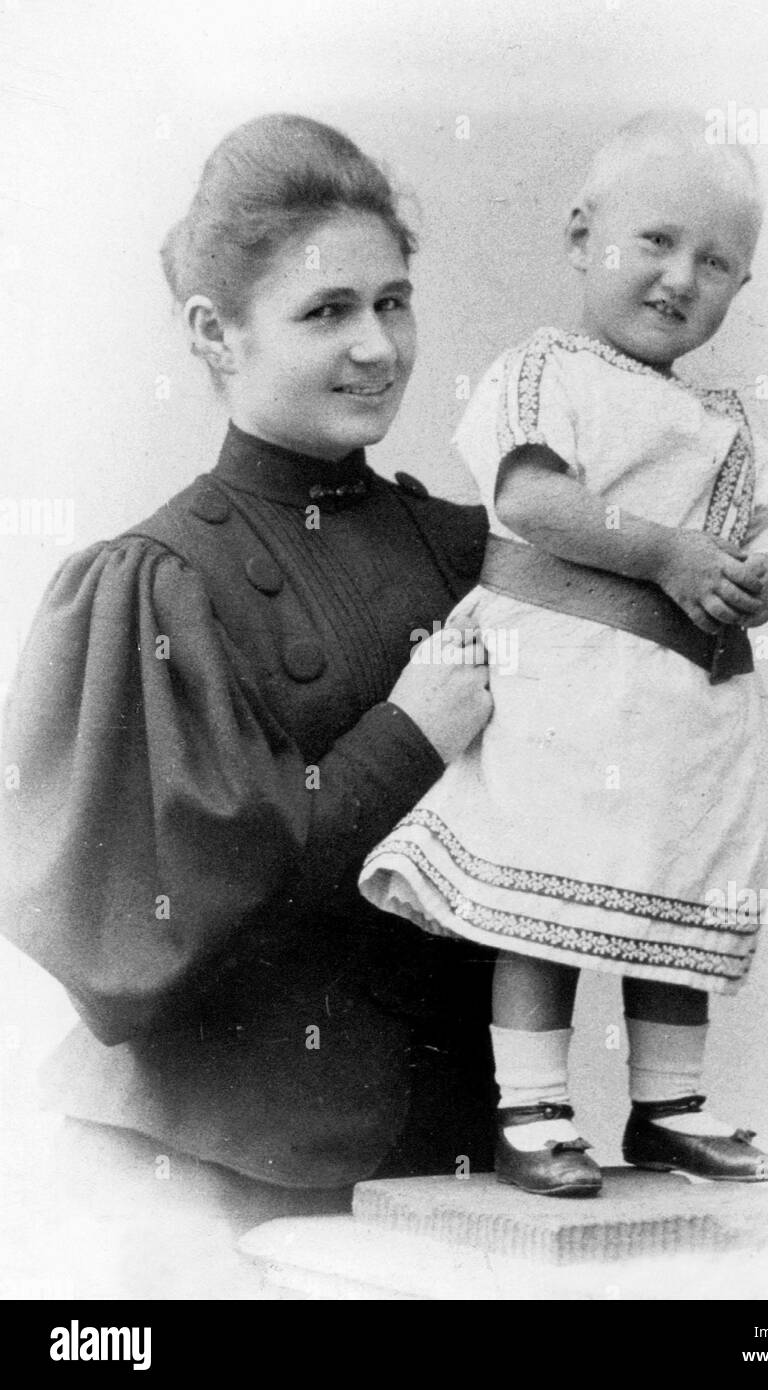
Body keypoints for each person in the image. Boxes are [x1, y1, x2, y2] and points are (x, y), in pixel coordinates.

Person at [0, 113, 497, 1295]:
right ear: (214, 334)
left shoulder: (463, 548)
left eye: (394, 301)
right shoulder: (149, 584)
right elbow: (186, 914)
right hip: (200, 1174)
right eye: (325, 312)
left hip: (441, 1158)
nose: (376, 345)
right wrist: (411, 733)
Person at [359, 109, 768, 1197]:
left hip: (683, 717)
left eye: (715, 262)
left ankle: (669, 1107)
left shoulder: (727, 425)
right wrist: (664, 552)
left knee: (673, 906)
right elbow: (533, 498)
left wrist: (767, 578)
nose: (678, 279)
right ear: (579, 237)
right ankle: (534, 1109)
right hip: (561, 690)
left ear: (740, 289)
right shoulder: (542, 370)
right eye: (654, 241)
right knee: (544, 896)